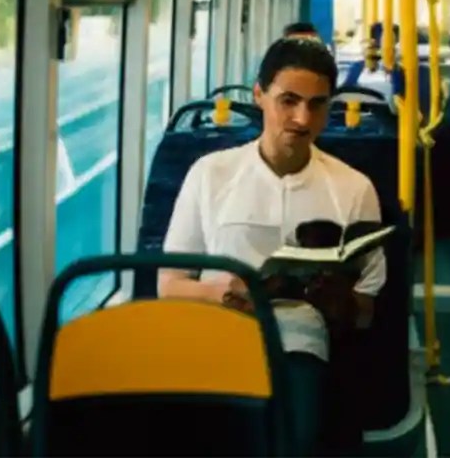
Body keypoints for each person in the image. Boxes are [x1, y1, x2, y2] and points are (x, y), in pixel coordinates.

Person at [157, 37, 386, 457]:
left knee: (290, 430)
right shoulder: (211, 173)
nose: (302, 118)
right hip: (217, 326)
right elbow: (169, 284)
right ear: (259, 95)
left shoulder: (353, 189)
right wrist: (220, 291)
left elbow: (367, 309)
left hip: (301, 336)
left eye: (317, 105)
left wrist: (338, 301)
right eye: (289, 101)